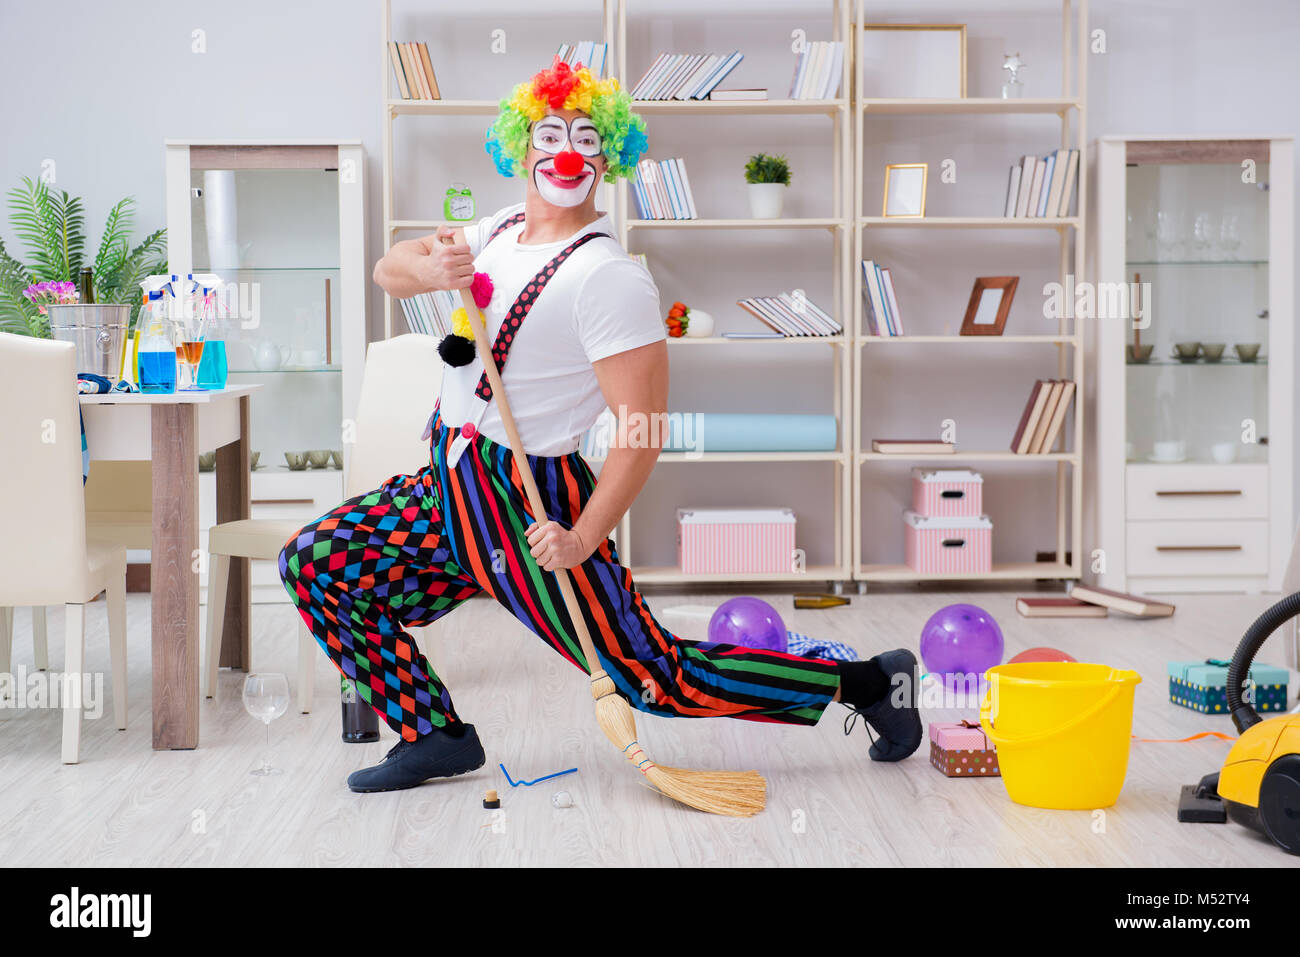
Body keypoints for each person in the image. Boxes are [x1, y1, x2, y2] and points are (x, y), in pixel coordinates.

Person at [278, 57, 921, 794]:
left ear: (608, 155)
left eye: (587, 138)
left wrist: (583, 535)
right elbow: (390, 268)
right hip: (448, 482)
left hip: (529, 502)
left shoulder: (608, 276)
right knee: (317, 564)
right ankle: (434, 734)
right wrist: (433, 269)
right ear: (520, 147)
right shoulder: (498, 229)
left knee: (654, 677)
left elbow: (642, 427)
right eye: (551, 133)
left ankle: (869, 682)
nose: (567, 152)